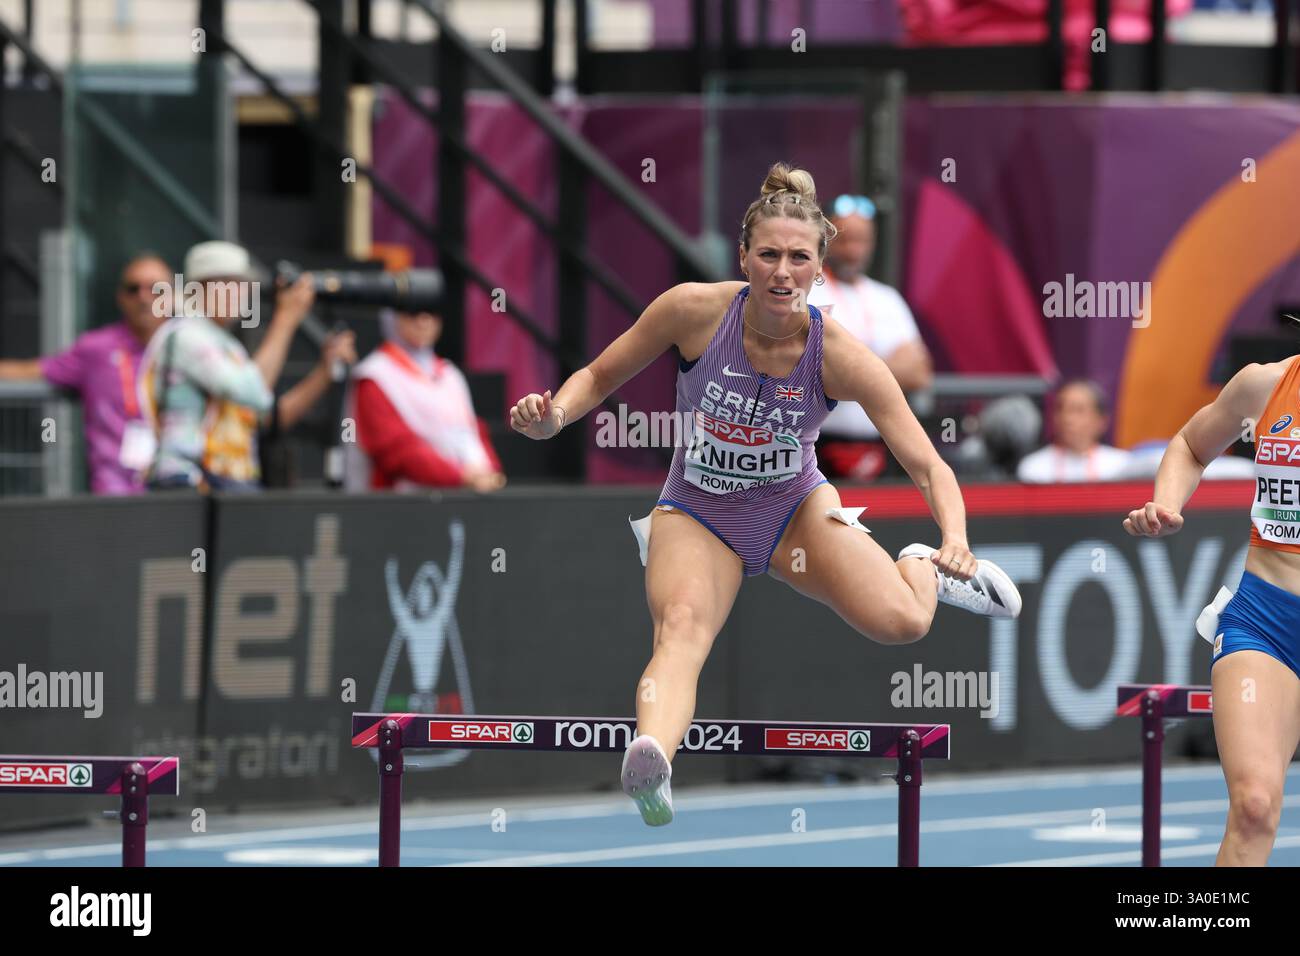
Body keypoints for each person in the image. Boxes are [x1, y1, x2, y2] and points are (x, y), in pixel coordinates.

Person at [509, 162, 1023, 827]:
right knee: (682, 628)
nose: (783, 271)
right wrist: (554, 416)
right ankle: (653, 763)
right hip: (697, 509)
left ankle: (918, 567)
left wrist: (955, 541)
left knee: (905, 623)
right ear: (745, 257)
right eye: (770, 255)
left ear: (819, 270)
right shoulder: (692, 311)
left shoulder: (841, 355)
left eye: (799, 258)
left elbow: (928, 465)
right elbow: (597, 376)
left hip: (794, 510)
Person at [1125, 355, 1300, 866]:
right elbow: (1189, 446)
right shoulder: (1265, 385)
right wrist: (1166, 503)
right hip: (1265, 622)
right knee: (1254, 806)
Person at [138, 240, 354, 492]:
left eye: (240, 284)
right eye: (225, 283)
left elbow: (268, 418)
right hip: (188, 484)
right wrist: (285, 319)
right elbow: (251, 391)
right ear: (197, 288)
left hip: (228, 485)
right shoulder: (186, 334)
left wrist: (323, 373)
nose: (237, 292)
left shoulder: (228, 346)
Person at [0, 252, 172, 494]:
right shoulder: (97, 348)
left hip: (178, 483)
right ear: (121, 297)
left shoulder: (190, 347)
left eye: (156, 288)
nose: (144, 297)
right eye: (134, 289)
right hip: (115, 490)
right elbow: (31, 370)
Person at [807, 194, 933, 481]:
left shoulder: (887, 298)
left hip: (880, 443)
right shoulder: (809, 292)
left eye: (862, 240)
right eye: (847, 239)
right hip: (817, 443)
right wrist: (885, 365)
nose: (854, 250)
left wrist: (848, 365)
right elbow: (806, 367)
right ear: (826, 241)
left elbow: (920, 372)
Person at [343, 307, 505, 492]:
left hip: (459, 498)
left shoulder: (449, 373)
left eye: (432, 312)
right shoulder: (373, 376)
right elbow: (395, 451)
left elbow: (473, 432)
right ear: (392, 318)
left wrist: (490, 471)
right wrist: (461, 476)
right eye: (412, 313)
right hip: (399, 507)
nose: (424, 321)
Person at [1016, 379, 1131, 483]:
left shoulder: (1121, 465)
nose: (1067, 418)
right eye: (1061, 409)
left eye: (1078, 410)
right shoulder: (1034, 468)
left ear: (1101, 421)